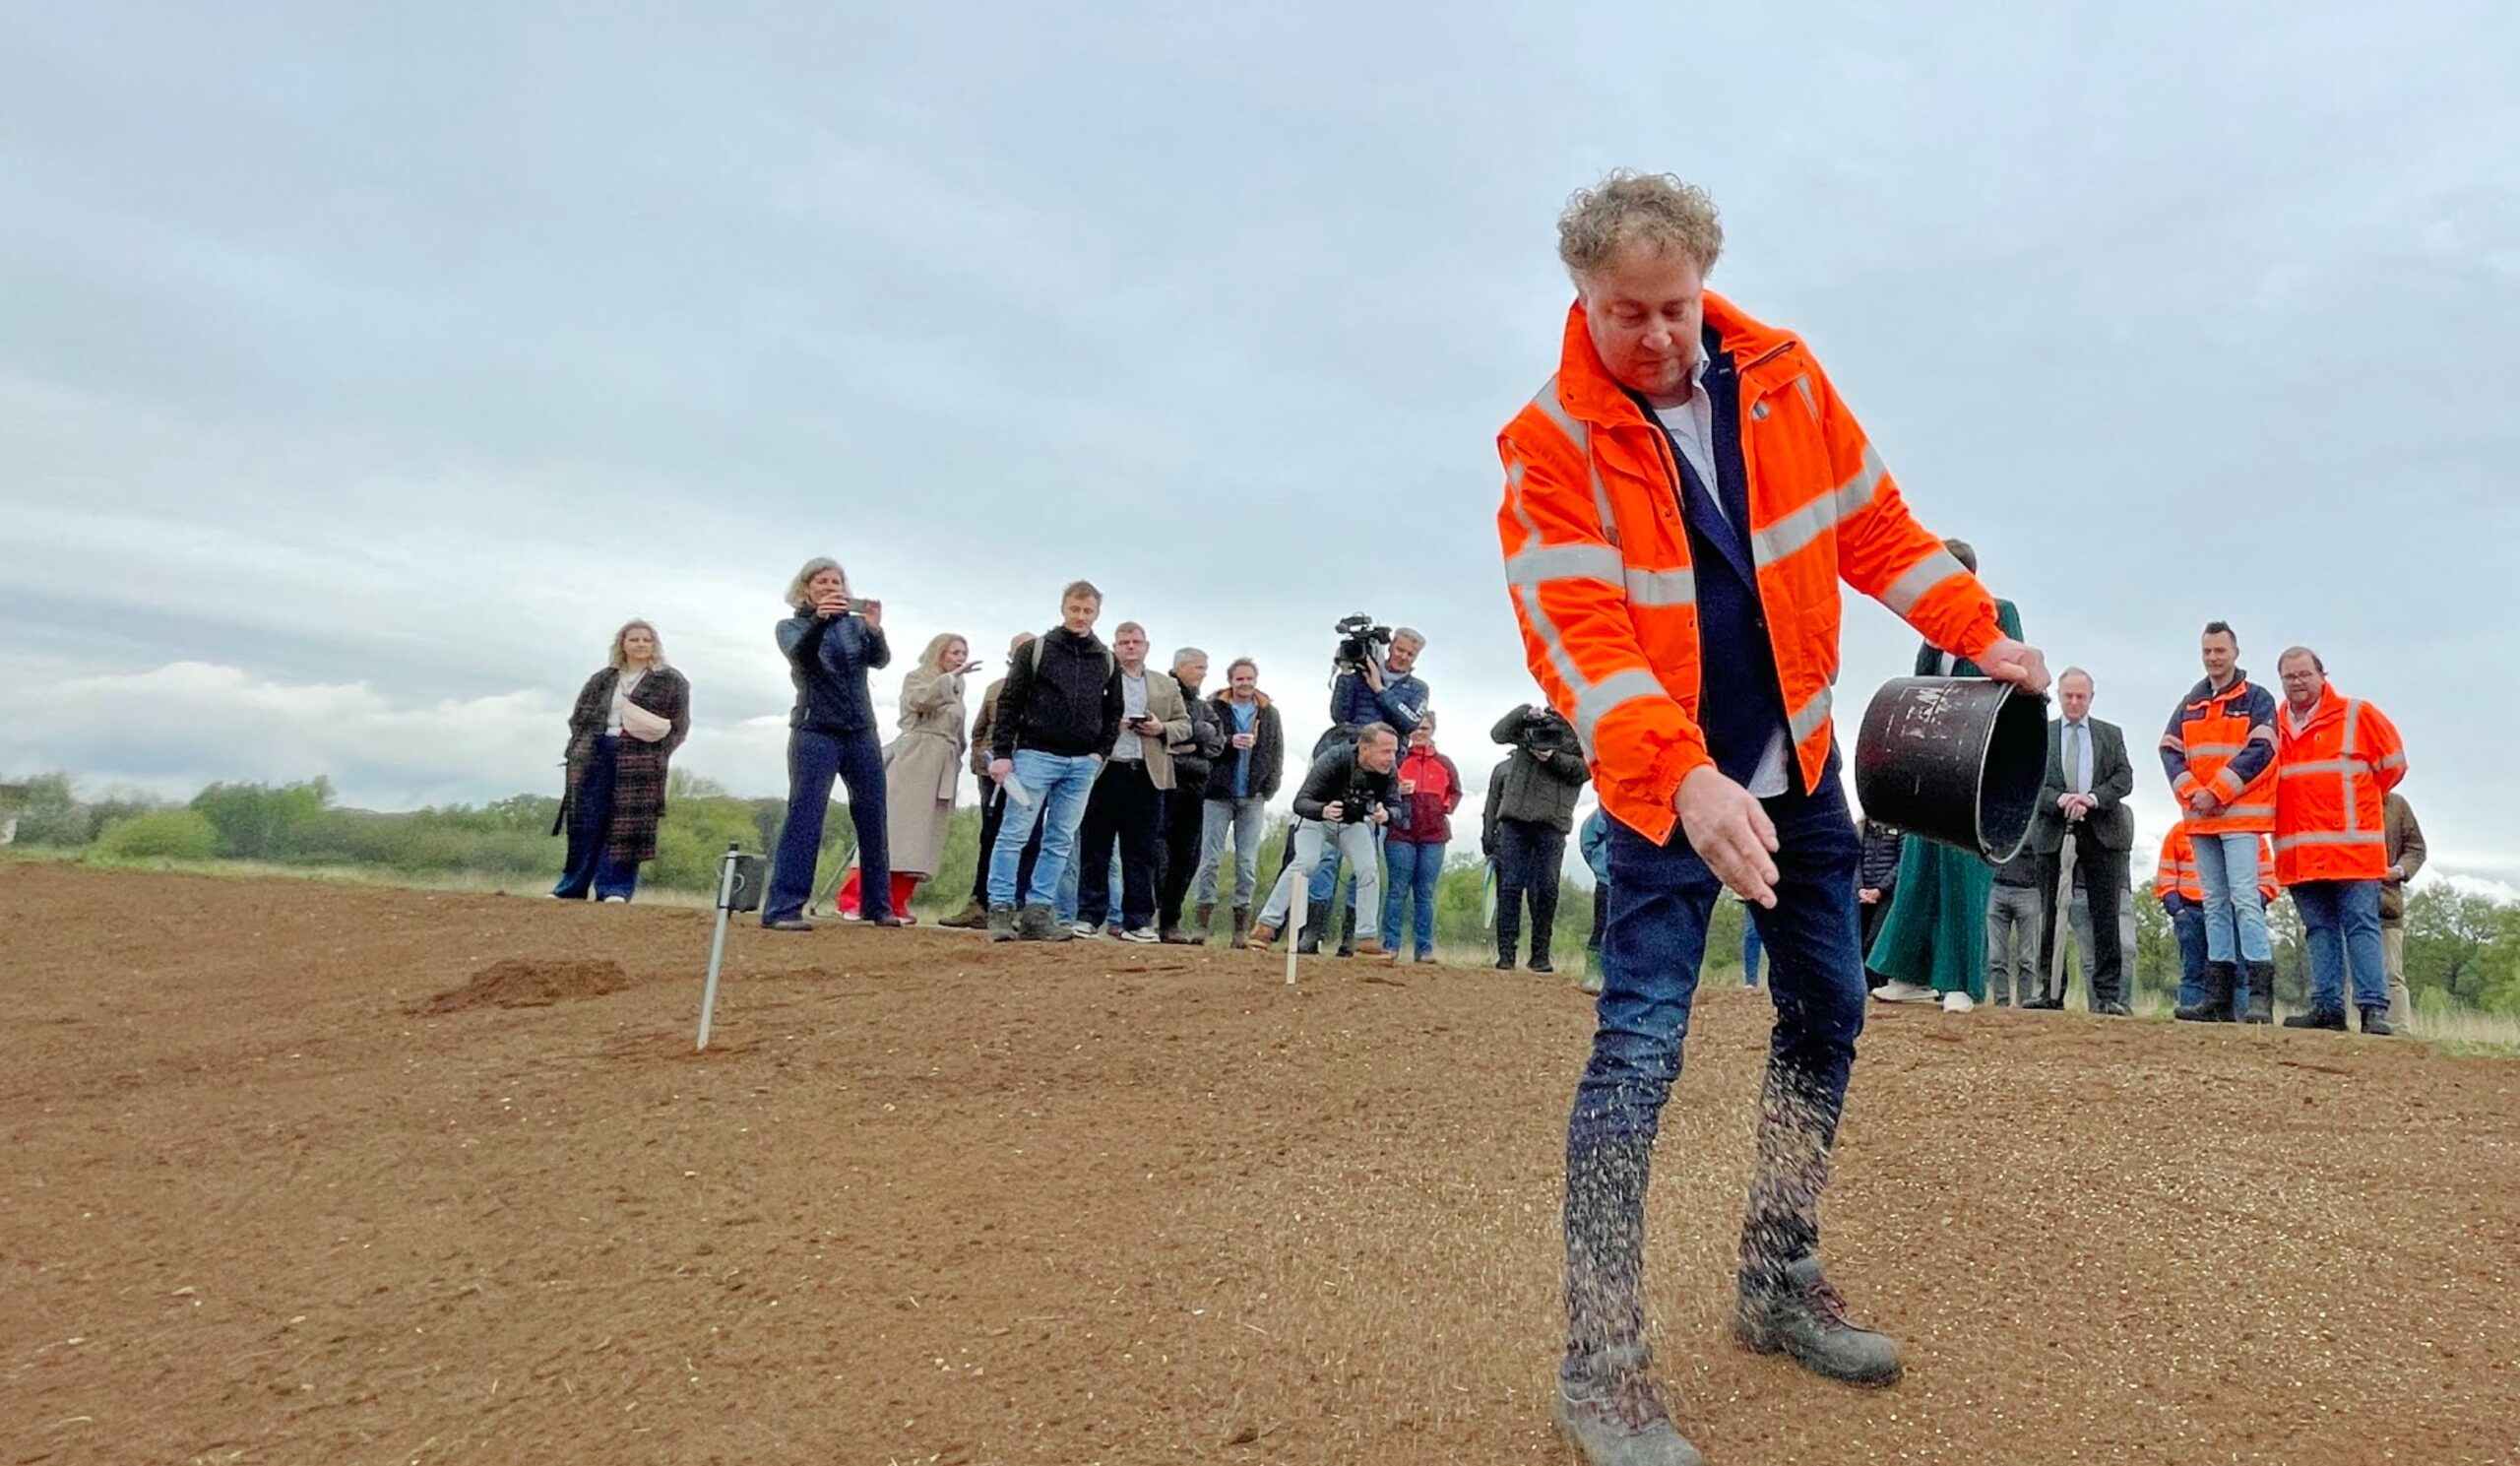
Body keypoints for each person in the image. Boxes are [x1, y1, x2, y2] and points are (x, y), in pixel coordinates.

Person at [1496, 171, 2048, 1464]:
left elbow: (1879, 529)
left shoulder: (1786, 376)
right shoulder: (1548, 446)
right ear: (1582, 298)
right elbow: (1577, 647)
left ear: (1706, 281)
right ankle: (1603, 1360)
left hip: (1796, 767)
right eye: (1627, 314)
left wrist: (1977, 632)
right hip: (1662, 793)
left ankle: (1776, 1274)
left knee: (1832, 1009)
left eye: (1676, 307)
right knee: (1639, 1052)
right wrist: (1683, 779)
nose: (1657, 338)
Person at [1865, 540, 2026, 1010]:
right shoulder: (1931, 632)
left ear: (1968, 578)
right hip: (1932, 770)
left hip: (1980, 769)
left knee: (1963, 872)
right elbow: (1920, 693)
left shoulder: (2001, 613)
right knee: (1918, 867)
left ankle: (1961, 983)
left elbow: (2011, 685)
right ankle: (1908, 975)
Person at [2273, 647, 2408, 1035]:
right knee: (2318, 929)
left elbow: (2392, 767)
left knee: (2361, 925)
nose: (2297, 683)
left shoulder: (2357, 714)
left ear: (2322, 674)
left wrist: (2356, 805)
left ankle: (2372, 1010)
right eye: (2289, 677)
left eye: (2304, 675)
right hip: (2300, 850)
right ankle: (2328, 1007)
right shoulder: (2274, 723)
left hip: (2353, 848)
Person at [762, 561, 898, 931]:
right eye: (822, 581)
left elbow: (880, 661)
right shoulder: (791, 626)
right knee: (806, 814)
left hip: (860, 730)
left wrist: (874, 629)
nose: (830, 586)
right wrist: (820, 621)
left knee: (873, 816)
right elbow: (802, 657)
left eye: (836, 581)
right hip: (815, 728)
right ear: (806, 589)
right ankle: (783, 908)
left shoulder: (854, 626)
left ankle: (878, 905)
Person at [984, 582, 1123, 942]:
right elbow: (1010, 702)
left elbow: (1114, 712)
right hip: (1034, 755)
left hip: (1081, 764)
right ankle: (999, 909)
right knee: (1014, 834)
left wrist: (1100, 753)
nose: (1080, 617)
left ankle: (1038, 912)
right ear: (1064, 608)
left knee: (1060, 839)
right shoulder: (1036, 650)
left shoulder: (1106, 659)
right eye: (1075, 609)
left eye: (1088, 611)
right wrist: (1002, 754)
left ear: (1097, 613)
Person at [2159, 621, 2281, 1023]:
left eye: (2220, 651)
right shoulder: (2190, 702)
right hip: (2200, 817)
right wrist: (2193, 791)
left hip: (2239, 817)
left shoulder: (2257, 698)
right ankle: (2218, 999)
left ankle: (2260, 997)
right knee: (2214, 904)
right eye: (2208, 651)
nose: (2213, 658)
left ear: (2235, 652)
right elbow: (2169, 749)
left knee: (2245, 900)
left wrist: (2218, 791)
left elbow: (2262, 750)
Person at [1307, 629, 1432, 952]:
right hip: (1345, 763)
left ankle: (1353, 936)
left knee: (1364, 853)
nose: (1402, 656)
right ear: (1390, 646)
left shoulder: (1417, 689)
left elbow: (1407, 723)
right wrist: (1349, 674)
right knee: (1328, 852)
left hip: (1380, 773)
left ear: (1416, 658)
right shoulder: (1360, 672)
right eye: (1399, 649)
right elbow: (1338, 714)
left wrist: (1379, 688)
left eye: (1410, 654)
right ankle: (1313, 931)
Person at [2021, 669, 2136, 1015]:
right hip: (2054, 831)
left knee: (2106, 917)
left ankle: (2107, 996)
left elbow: (2124, 779)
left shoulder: (2109, 735)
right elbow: (2028, 780)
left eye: (2080, 696)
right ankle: (2050, 991)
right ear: (2059, 695)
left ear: (2091, 697)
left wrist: (2092, 798)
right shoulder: (2042, 733)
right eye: (2068, 696)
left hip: (2102, 831)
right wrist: (2059, 800)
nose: (2074, 702)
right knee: (2052, 914)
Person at [551, 619, 690, 903]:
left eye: (646, 640)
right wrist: (581, 746)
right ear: (622, 644)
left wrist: (657, 754)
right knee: (585, 822)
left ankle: (615, 888)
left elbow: (679, 725)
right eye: (634, 639)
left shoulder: (671, 680)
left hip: (640, 759)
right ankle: (572, 886)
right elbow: (580, 717)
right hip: (595, 753)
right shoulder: (602, 679)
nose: (640, 644)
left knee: (627, 826)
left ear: (654, 645)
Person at [836, 633, 970, 924]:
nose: (960, 658)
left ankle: (897, 901)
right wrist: (947, 682)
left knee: (921, 838)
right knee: (893, 830)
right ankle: (855, 898)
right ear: (939, 653)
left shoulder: (959, 685)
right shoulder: (918, 678)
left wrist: (961, 755)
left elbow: (957, 728)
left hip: (942, 763)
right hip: (915, 757)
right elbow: (920, 703)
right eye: (954, 652)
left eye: (963, 653)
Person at [1071, 622, 1192, 941]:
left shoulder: (1166, 685)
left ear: (1146, 646)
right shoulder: (1098, 680)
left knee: (1142, 852)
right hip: (1105, 770)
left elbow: (1185, 725)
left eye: (1136, 642)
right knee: (1095, 848)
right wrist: (1113, 724)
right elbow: (1081, 719)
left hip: (1147, 774)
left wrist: (1160, 728)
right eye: (1124, 642)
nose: (1130, 647)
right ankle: (1088, 916)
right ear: (1114, 647)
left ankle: (1138, 920)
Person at [1247, 724, 1398, 957]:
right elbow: (1301, 802)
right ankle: (1265, 926)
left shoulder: (1388, 771)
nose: (1391, 758)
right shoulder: (1334, 759)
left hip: (1352, 823)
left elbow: (1396, 806)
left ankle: (1366, 937)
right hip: (1315, 819)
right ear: (1365, 748)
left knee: (1368, 868)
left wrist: (1387, 814)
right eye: (1385, 751)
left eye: (1394, 752)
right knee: (1306, 862)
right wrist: (1323, 809)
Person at [939, 633, 1038, 928]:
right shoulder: (996, 688)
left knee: (1030, 840)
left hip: (1032, 773)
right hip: (994, 775)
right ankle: (980, 903)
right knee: (990, 837)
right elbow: (980, 730)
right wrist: (982, 765)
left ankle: (1020, 907)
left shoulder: (1048, 692)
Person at [1489, 703, 1591, 974]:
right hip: (1515, 816)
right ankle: (1506, 954)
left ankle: (1540, 956)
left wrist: (1552, 757)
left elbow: (1587, 770)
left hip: (1552, 820)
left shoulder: (1583, 731)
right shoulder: (1531, 721)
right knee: (1509, 887)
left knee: (1546, 889)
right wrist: (1523, 713)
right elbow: (1497, 734)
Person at [1194, 658, 1283, 949]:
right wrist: (1230, 741)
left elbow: (1276, 752)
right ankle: (1201, 924)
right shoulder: (1213, 708)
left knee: (1246, 863)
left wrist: (1268, 788)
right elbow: (1204, 744)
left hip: (1252, 797)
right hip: (1217, 794)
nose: (1245, 684)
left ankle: (1240, 930)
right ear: (1230, 681)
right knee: (1210, 860)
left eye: (1249, 678)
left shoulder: (1269, 713)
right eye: (1239, 679)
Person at [2161, 830, 2280, 1020]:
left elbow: (2268, 878)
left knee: (2240, 976)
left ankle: (2243, 1020)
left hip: (2235, 913)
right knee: (2193, 973)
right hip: (2192, 912)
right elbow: (2165, 875)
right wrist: (2177, 910)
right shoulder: (2179, 833)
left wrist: (2251, 908)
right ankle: (2193, 1025)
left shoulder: (2254, 835)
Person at [1158, 648, 1228, 943]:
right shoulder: (1162, 696)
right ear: (1181, 667)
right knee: (1157, 854)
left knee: (1187, 857)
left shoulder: (1204, 706)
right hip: (1163, 783)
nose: (1204, 673)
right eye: (1199, 667)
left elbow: (1217, 742)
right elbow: (1161, 735)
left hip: (1196, 787)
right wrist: (1194, 736)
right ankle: (1145, 916)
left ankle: (1170, 921)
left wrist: (1191, 744)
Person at [1383, 712, 1463, 964]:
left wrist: (1444, 807)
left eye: (1425, 728)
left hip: (1434, 835)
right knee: (1397, 890)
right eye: (1415, 728)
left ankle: (1424, 949)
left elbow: (1456, 792)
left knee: (1425, 892)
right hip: (1400, 832)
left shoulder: (1445, 763)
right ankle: (1390, 945)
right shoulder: (1397, 760)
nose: (1420, 732)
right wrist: (1396, 790)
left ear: (1433, 730)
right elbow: (1382, 789)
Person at [2380, 792, 2427, 1034]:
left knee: (2391, 973)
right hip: (2342, 905)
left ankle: (2399, 1032)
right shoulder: (2341, 797)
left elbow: (2416, 848)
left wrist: (2398, 870)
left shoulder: (2396, 804)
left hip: (2386, 905)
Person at [1984, 838, 2043, 1007]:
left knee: (2027, 957)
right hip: (1997, 886)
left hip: (2029, 889)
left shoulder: (2034, 819)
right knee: (1996, 956)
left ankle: (2025, 1003)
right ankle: (2001, 1003)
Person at [1855, 817, 1902, 979]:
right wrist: (1860, 888)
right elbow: (1856, 857)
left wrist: (1881, 889)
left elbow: (1902, 862)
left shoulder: (1901, 826)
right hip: (1864, 894)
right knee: (1859, 938)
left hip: (1888, 895)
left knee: (1877, 939)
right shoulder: (1863, 826)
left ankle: (1877, 980)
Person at [1580, 804, 1613, 982]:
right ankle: (1593, 974)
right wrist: (1600, 866)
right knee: (1601, 925)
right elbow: (1587, 839)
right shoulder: (1606, 808)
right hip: (1607, 881)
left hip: (1640, 884)